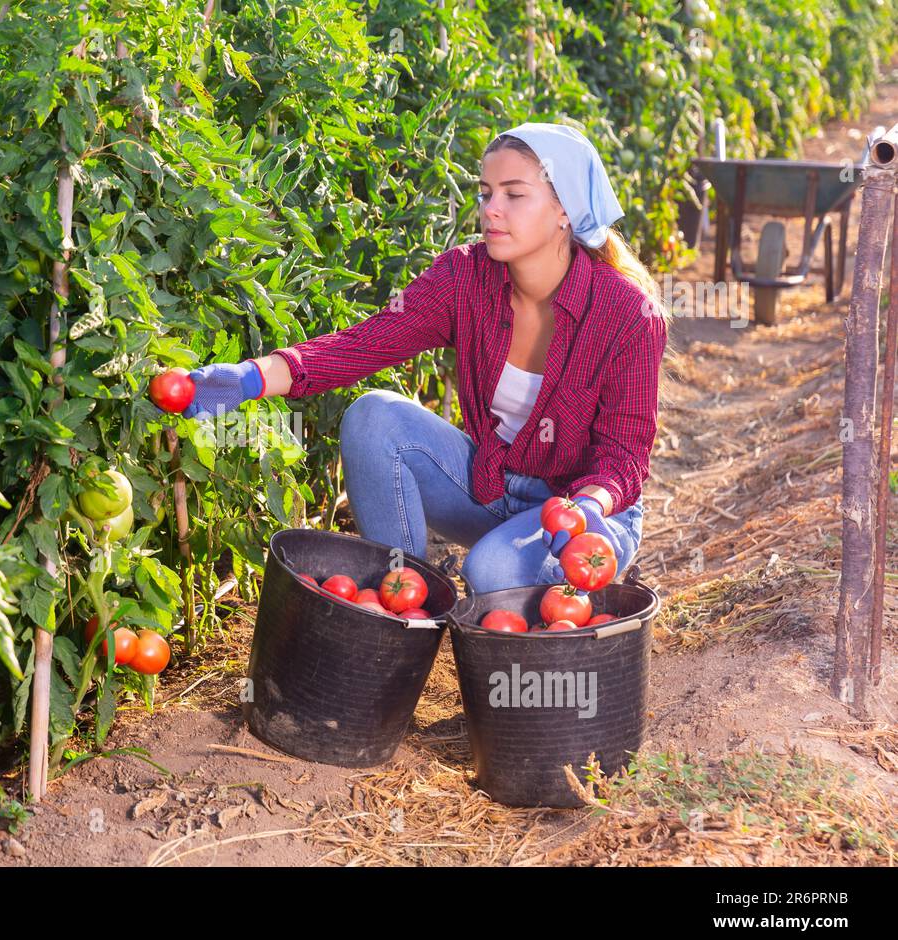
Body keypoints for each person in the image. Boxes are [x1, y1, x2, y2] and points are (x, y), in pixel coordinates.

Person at [179, 122, 670, 594]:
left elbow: (623, 458)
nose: (491, 210)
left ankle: (558, 584)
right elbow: (363, 345)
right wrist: (249, 379)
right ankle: (403, 605)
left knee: (491, 573)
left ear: (566, 210)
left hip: (589, 512)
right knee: (374, 417)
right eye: (485, 193)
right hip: (492, 485)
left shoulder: (626, 312)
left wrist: (584, 509)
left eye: (514, 195)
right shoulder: (465, 278)